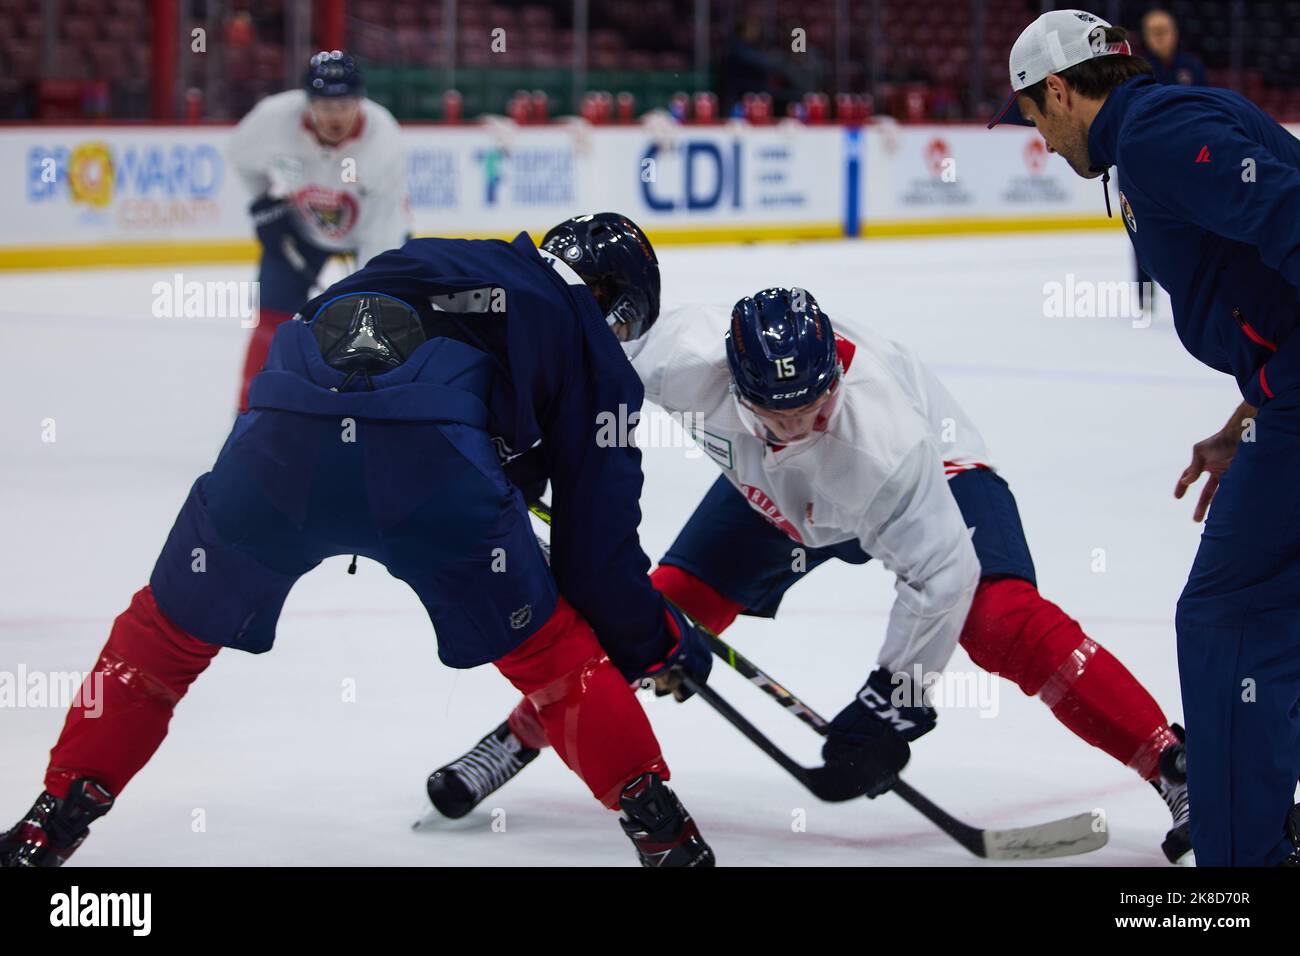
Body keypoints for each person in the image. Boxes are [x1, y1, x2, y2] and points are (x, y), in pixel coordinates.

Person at [0, 214, 715, 869]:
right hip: (434, 477)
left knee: (161, 639)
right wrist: (653, 640)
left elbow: (354, 356)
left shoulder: (431, 256)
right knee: (550, 657)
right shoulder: (597, 354)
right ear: (618, 306)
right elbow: (596, 557)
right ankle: (663, 834)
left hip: (277, 439)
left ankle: (49, 825)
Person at [427, 287, 1194, 863]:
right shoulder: (681, 361)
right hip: (772, 503)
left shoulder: (884, 444)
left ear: (834, 373)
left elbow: (939, 576)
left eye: (812, 403)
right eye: (774, 411)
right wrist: (512, 443)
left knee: (1001, 622)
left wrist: (891, 703)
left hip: (932, 485)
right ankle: (522, 734)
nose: (797, 423)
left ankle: (1172, 763)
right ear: (734, 381)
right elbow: (579, 365)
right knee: (649, 619)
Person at [988, 9, 1300, 866]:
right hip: (1284, 401)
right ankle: (1264, 821)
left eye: (1033, 116)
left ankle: (1244, 861)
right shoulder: (1167, 126)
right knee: (1268, 615)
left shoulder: (1158, 133)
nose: (1042, 142)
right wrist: (1254, 412)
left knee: (1231, 616)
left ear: (1060, 90)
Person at [229, 50, 409, 411]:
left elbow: (382, 231)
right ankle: (249, 411)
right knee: (271, 322)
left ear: (361, 102)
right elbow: (239, 156)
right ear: (307, 103)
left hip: (370, 234)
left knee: (388, 324)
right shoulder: (273, 119)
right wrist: (265, 204)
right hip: (300, 230)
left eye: (344, 104)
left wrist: (367, 293)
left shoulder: (383, 141)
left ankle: (385, 409)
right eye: (325, 105)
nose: (335, 115)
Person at [1133, 9, 1207, 311]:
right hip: (1146, 163)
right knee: (1142, 229)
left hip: (1185, 161)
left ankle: (1194, 293)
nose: (1160, 36)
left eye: (1164, 29)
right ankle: (1144, 294)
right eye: (1154, 30)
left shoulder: (1192, 68)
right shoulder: (1137, 71)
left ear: (1175, 32)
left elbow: (1202, 110)